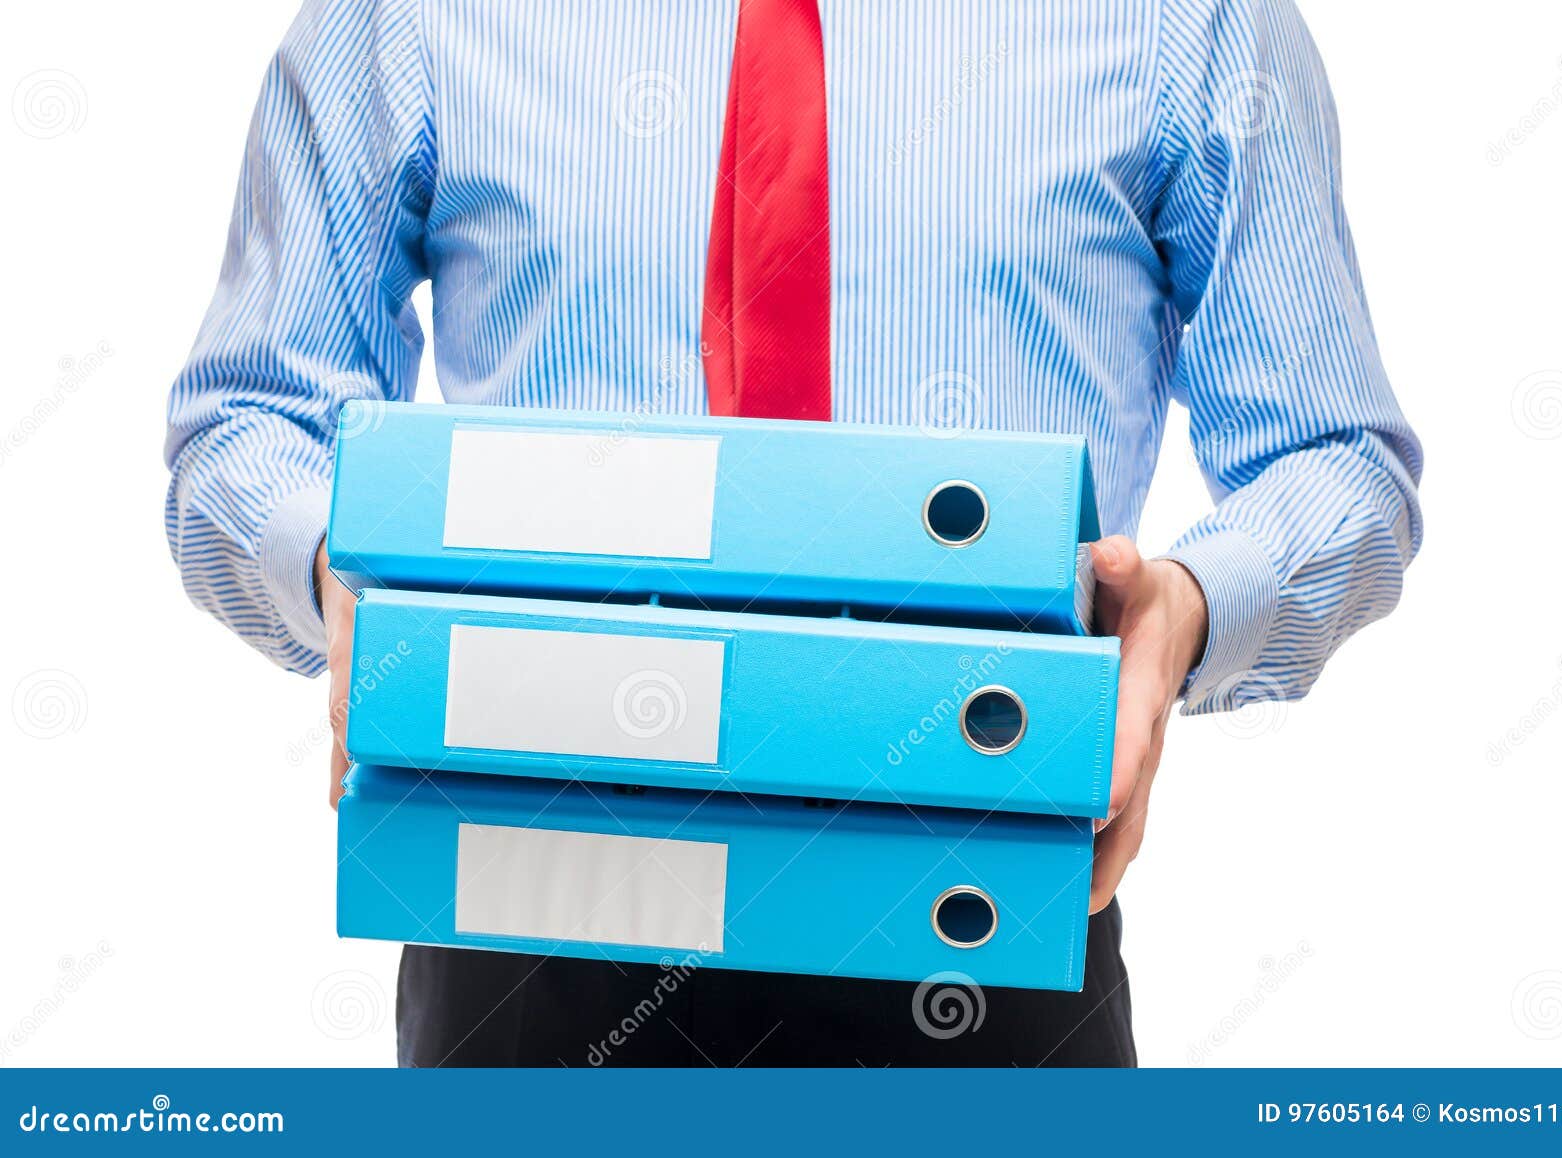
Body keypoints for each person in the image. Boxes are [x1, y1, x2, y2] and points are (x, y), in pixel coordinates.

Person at [164, 0, 1422, 1067]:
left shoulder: (1182, 21)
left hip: (986, 931)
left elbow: (1334, 457)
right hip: (529, 935)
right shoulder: (416, 15)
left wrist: (1186, 610)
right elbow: (247, 420)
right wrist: (349, 567)